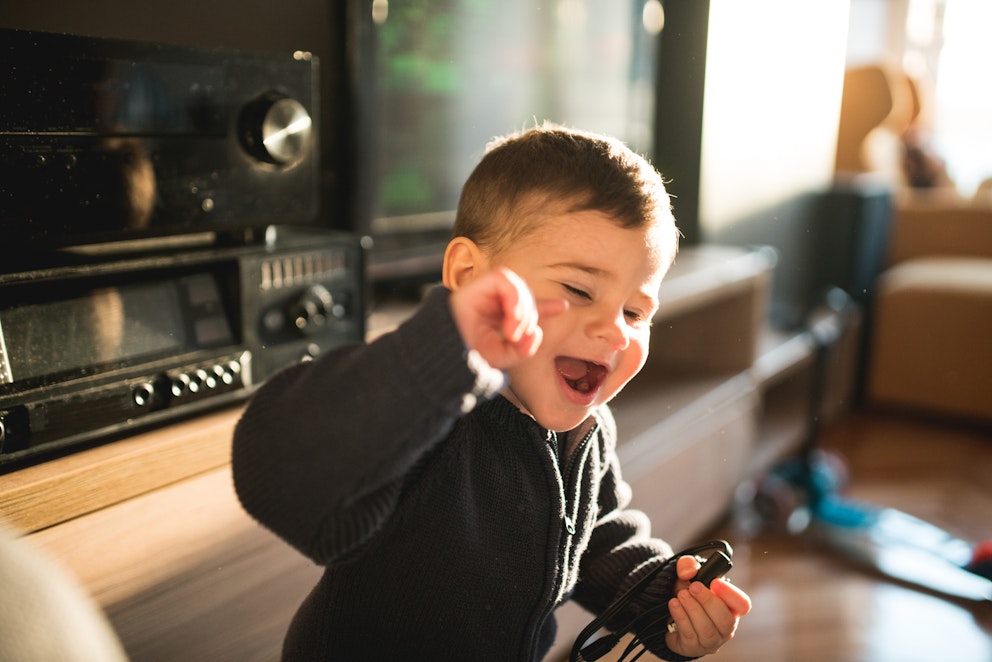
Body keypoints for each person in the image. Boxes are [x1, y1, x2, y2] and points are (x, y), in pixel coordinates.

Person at [232, 123, 751, 661]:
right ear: (467, 273)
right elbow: (279, 471)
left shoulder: (587, 429)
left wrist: (660, 597)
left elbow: (591, 533)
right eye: (578, 290)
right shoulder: (421, 410)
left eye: (634, 312)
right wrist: (443, 347)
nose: (615, 331)